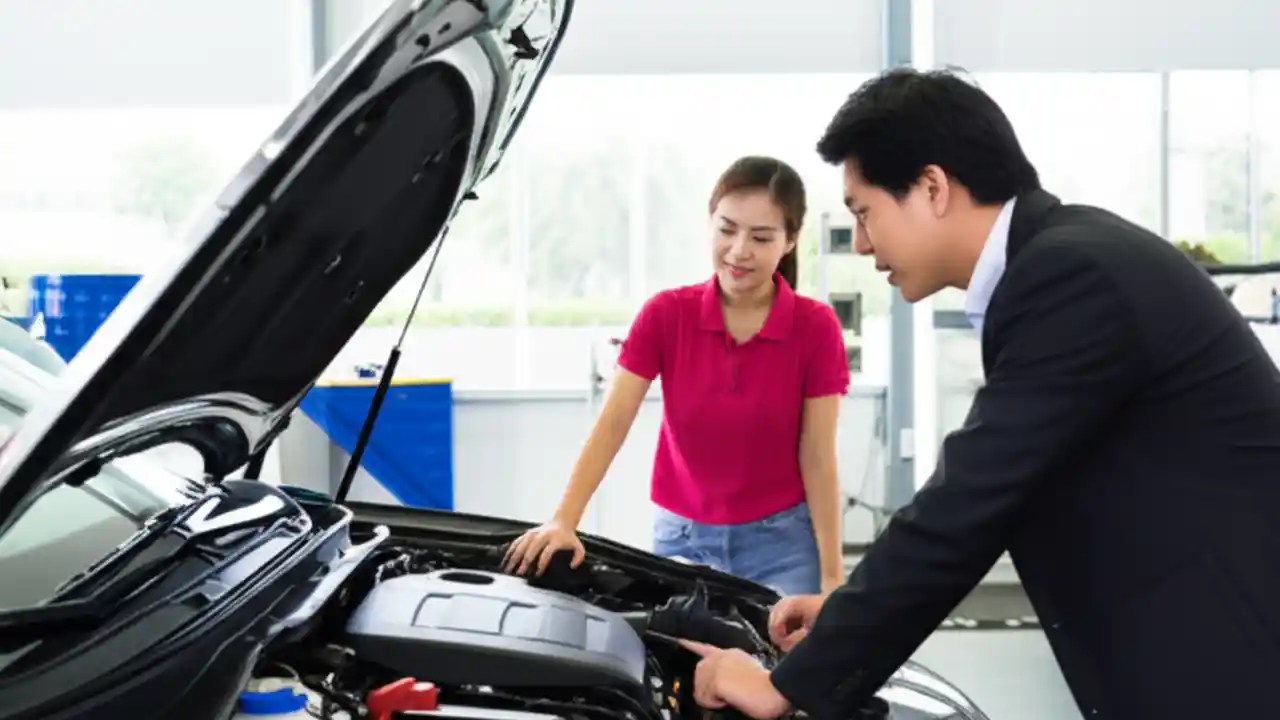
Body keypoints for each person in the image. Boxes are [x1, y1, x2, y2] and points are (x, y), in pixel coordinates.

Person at [681, 68, 1280, 719]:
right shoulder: (1061, 260)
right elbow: (999, 497)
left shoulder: (1069, 276)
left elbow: (968, 502)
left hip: (1234, 659)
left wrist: (784, 684)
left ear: (932, 188)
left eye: (863, 211)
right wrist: (847, 616)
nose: (859, 241)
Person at [502, 155, 851, 596]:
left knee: (783, 665)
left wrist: (833, 576)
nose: (739, 250)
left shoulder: (815, 327)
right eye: (726, 229)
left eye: (761, 237)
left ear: (790, 240)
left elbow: (818, 457)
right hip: (683, 543)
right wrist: (564, 519)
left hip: (783, 545)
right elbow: (613, 423)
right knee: (679, 664)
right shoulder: (667, 315)